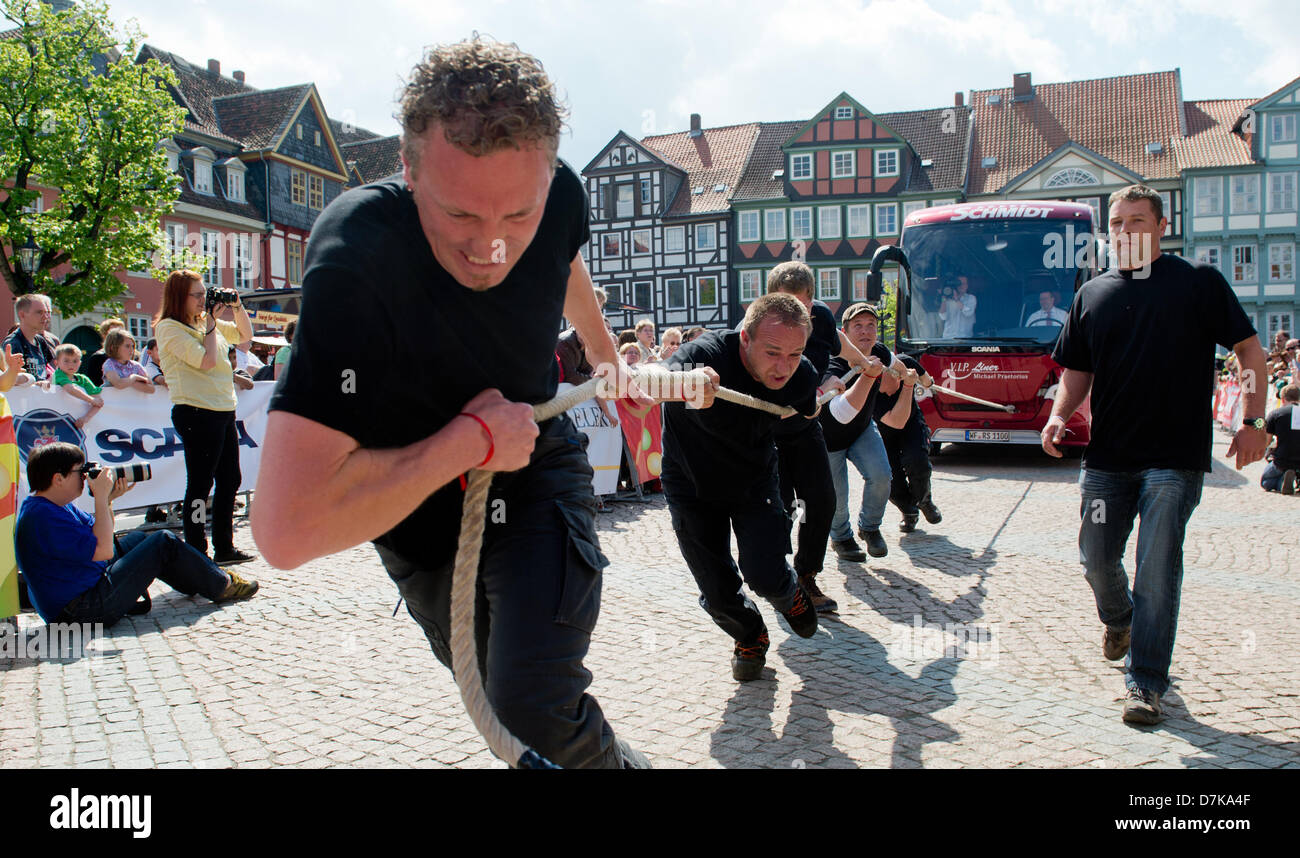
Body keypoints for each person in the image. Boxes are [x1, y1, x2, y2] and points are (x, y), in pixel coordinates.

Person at [250, 36, 651, 769]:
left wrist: (604, 351)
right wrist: (465, 442)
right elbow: (284, 531)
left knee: (533, 705)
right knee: (501, 707)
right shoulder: (355, 258)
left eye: (516, 217)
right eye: (461, 217)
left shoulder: (560, 192)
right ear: (407, 169)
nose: (492, 248)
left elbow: (563, 259)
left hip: (534, 465)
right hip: (415, 510)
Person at [1043, 184, 1268, 726]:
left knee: (1157, 570)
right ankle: (1118, 617)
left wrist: (1255, 421)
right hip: (1106, 462)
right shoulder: (1091, 294)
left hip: (1174, 459)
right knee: (1096, 558)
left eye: (1138, 221)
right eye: (1117, 223)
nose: (1125, 232)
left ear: (1161, 226)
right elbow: (1077, 370)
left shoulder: (1198, 284)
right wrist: (1058, 413)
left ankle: (1145, 683)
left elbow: (1249, 350)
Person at [659, 293, 819, 681]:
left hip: (753, 478)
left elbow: (810, 414)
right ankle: (749, 635)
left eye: (795, 353)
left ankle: (788, 592)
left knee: (764, 573)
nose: (784, 366)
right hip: (690, 483)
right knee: (715, 590)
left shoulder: (802, 376)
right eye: (773, 352)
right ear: (745, 338)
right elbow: (660, 378)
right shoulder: (705, 353)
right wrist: (688, 381)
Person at [15, 442, 257, 628]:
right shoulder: (41, 516)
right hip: (79, 611)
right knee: (162, 541)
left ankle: (201, 578)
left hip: (83, 592)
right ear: (58, 479)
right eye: (81, 471)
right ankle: (221, 584)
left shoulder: (53, 504)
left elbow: (103, 537)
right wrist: (100, 497)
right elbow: (104, 550)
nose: (86, 477)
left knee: (141, 540)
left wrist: (107, 501)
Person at [763, 261, 870, 612]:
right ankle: (778, 581)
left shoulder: (821, 317)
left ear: (811, 302)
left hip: (807, 429)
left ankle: (806, 576)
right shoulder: (755, 327)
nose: (794, 313)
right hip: (768, 432)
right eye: (784, 305)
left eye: (801, 305)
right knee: (779, 510)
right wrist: (815, 390)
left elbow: (836, 342)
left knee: (821, 501)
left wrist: (862, 361)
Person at [154, 269, 256, 566]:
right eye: (196, 295)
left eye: (204, 294)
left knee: (230, 479)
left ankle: (225, 546)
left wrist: (236, 306)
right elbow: (208, 361)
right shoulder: (169, 328)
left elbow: (245, 335)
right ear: (179, 297)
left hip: (223, 409)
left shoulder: (202, 322)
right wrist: (212, 321)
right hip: (196, 412)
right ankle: (197, 549)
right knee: (200, 485)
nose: (202, 300)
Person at [819, 302, 900, 560]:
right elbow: (842, 413)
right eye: (858, 327)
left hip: (863, 429)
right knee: (837, 497)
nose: (866, 332)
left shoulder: (879, 352)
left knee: (882, 476)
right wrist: (867, 376)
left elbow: (898, 364)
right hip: (829, 438)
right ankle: (841, 538)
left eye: (871, 326)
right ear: (844, 332)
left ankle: (869, 528)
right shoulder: (833, 364)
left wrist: (912, 376)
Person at [874, 352, 941, 532]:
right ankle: (909, 510)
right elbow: (895, 421)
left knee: (918, 460)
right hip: (884, 428)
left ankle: (924, 500)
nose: (889, 389)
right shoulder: (868, 384)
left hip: (911, 423)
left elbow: (927, 382)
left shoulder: (906, 363)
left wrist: (924, 381)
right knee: (889, 478)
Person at [4, 293, 59, 383]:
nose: (45, 317)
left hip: (42, 396)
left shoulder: (41, 341)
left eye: (46, 313)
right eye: (39, 312)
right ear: (22, 315)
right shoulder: (13, 344)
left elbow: (49, 372)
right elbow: (10, 382)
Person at [51, 344, 104, 430]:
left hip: (78, 425)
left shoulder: (83, 379)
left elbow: (98, 402)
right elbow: (70, 389)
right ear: (56, 363)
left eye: (75, 361)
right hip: (58, 422)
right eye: (66, 361)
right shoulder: (58, 374)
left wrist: (85, 419)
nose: (71, 364)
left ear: (80, 363)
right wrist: (91, 400)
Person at [1260, 384, 1300, 494]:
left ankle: (1283, 481)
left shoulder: (1276, 414)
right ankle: (1291, 479)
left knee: (1266, 482)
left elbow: (1267, 441)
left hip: (1282, 459)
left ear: (1282, 399)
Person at [100, 329, 156, 394]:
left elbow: (151, 389)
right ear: (113, 348)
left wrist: (129, 382)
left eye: (133, 346)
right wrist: (134, 377)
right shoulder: (109, 364)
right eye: (127, 346)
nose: (131, 350)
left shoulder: (136, 365)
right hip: (115, 402)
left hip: (133, 402)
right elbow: (119, 384)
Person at [81, 318, 125, 387]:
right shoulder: (98, 357)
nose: (119, 337)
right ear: (104, 335)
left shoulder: (131, 355)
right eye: (114, 333)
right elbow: (94, 384)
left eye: (122, 333)